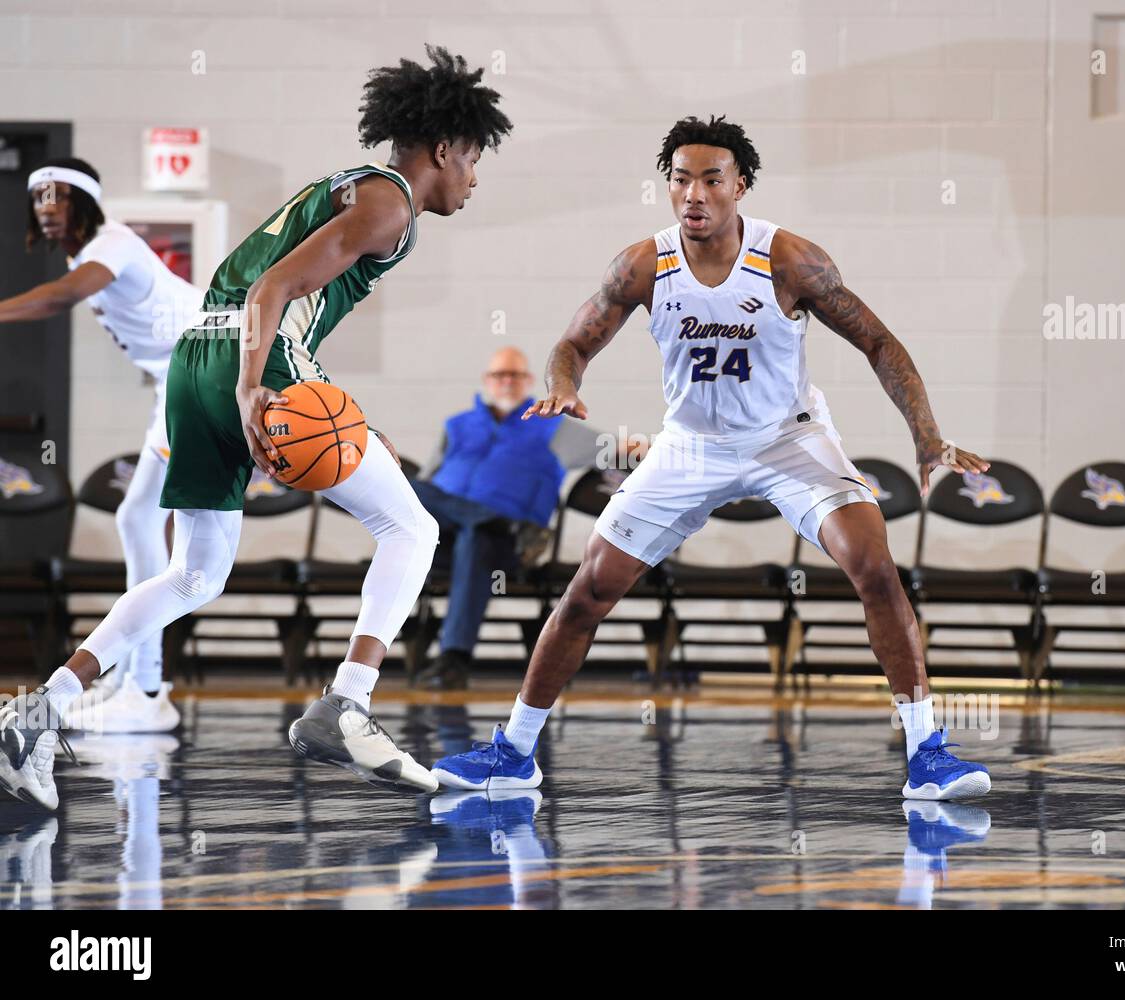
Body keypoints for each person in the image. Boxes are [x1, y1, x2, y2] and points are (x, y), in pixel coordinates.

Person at [0, 45, 512, 810]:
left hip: (193, 360)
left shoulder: (345, 184)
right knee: (414, 529)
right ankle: (348, 703)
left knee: (196, 574)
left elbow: (260, 283)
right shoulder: (391, 202)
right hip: (254, 358)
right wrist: (252, 390)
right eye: (473, 159)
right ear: (443, 148)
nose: (475, 178)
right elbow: (273, 289)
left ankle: (40, 712)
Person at [433, 115, 992, 801]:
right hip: (691, 447)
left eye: (710, 180)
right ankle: (514, 753)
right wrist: (563, 387)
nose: (693, 193)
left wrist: (927, 437)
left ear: (740, 186)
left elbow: (880, 342)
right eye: (680, 180)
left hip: (788, 438)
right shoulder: (643, 263)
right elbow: (571, 344)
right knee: (589, 590)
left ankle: (927, 754)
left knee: (875, 566)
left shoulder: (789, 259)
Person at [0, 157, 202, 732]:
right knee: (138, 522)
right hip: (177, 377)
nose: (45, 207)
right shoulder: (88, 252)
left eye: (56, 196)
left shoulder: (111, 243)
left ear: (85, 201)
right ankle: (135, 682)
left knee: (151, 528)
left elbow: (57, 298)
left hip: (200, 367)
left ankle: (144, 688)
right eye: (37, 197)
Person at [411, 345, 643, 689]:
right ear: (486, 381)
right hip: (441, 539)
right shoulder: (457, 426)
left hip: (510, 544)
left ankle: (453, 660)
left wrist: (660, 447)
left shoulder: (553, 427)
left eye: (514, 375)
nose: (506, 381)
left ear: (530, 381)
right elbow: (426, 488)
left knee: (478, 541)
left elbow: (619, 447)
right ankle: (484, 517)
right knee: (407, 486)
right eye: (499, 375)